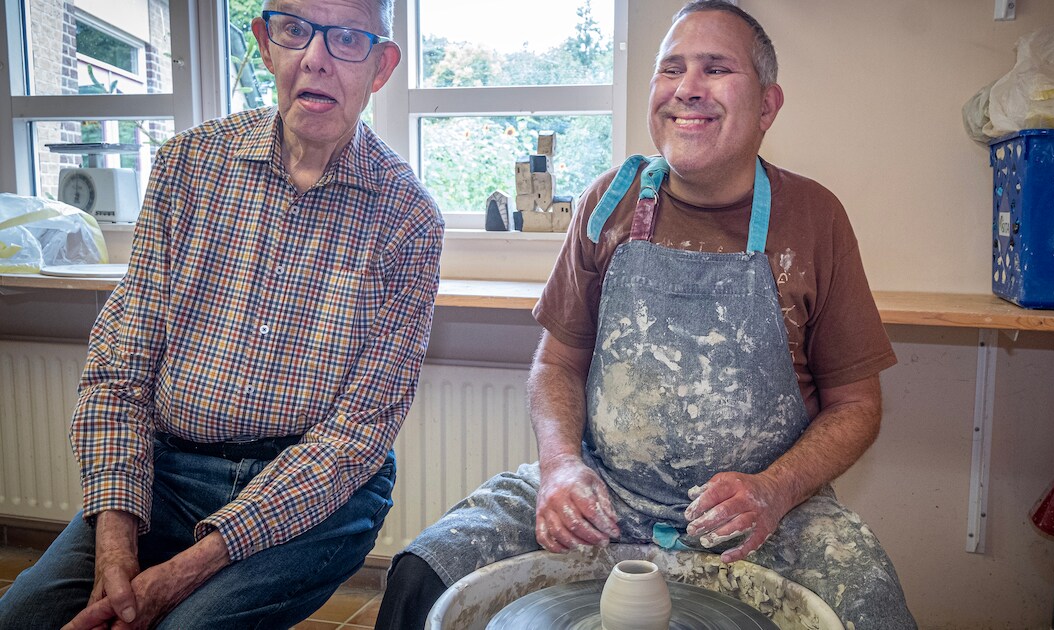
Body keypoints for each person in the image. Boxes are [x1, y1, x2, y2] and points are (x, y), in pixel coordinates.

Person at [376, 1, 916, 628]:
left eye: (715, 69)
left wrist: (774, 491)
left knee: (874, 609)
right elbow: (556, 362)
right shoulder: (608, 202)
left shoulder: (815, 217)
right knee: (423, 574)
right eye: (671, 70)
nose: (687, 89)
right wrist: (560, 466)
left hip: (765, 516)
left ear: (768, 105)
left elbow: (857, 405)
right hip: (606, 496)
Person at [0, 1, 442, 627]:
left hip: (319, 498)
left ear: (382, 67)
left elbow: (354, 437)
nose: (315, 58)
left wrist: (179, 574)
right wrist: (116, 544)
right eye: (295, 31)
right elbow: (118, 370)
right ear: (266, 44)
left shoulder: (408, 219)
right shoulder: (187, 167)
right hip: (168, 472)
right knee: (22, 618)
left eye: (346, 38)